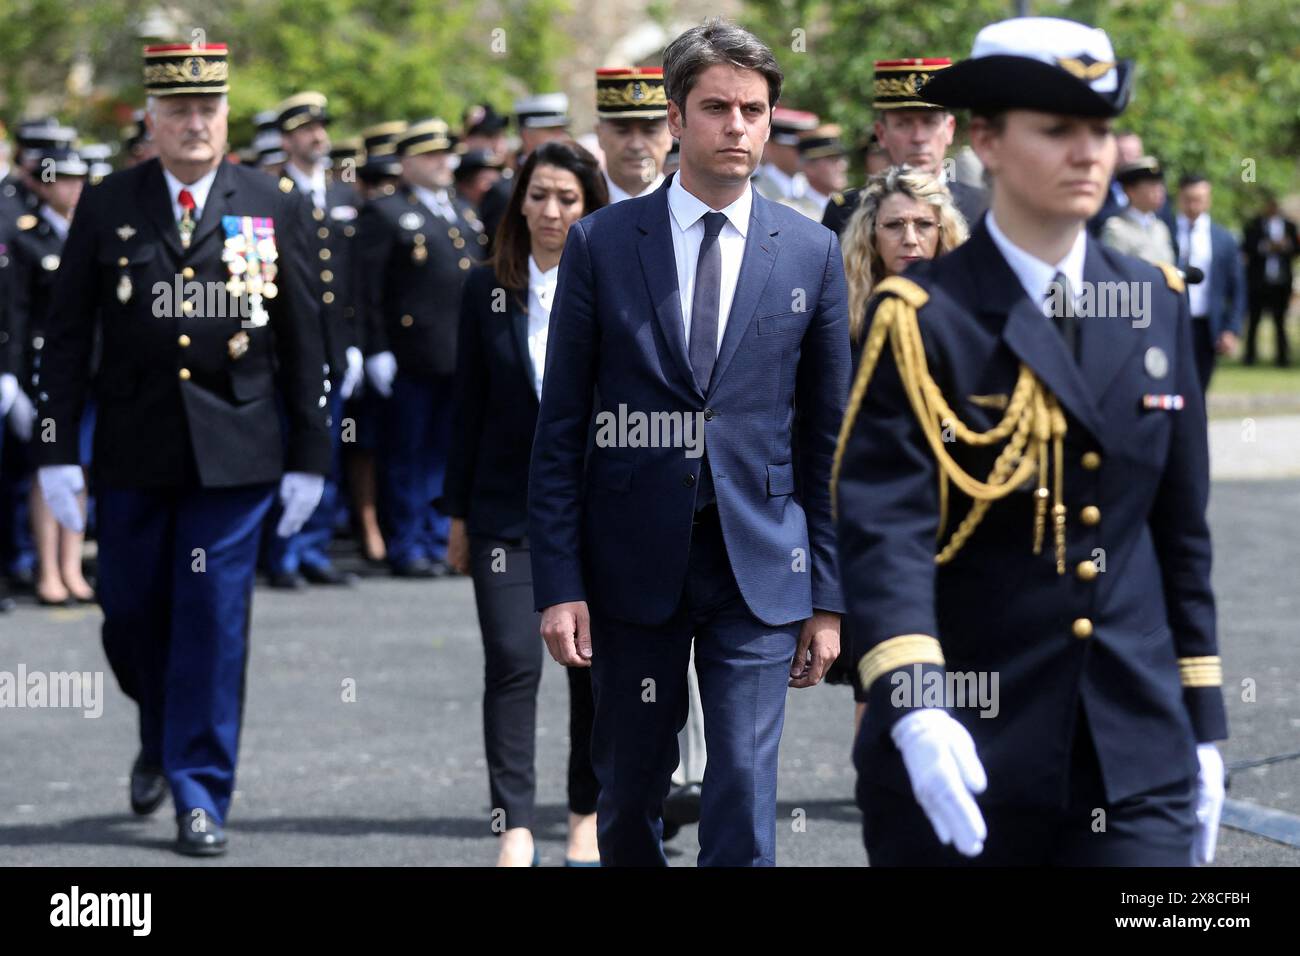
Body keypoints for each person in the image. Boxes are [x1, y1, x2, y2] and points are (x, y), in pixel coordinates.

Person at [834, 16, 1227, 866]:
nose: (1090, 153)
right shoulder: (921, 319)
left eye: (1099, 129)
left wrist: (1204, 726)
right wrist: (915, 700)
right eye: (1057, 130)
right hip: (967, 744)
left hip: (1133, 752)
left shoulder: (1156, 302)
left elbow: (1179, 537)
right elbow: (885, 532)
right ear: (989, 140)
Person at [528, 18, 849, 867]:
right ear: (676, 117)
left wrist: (829, 594)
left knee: (743, 786)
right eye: (716, 108)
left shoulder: (811, 253)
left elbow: (826, 440)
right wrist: (558, 583)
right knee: (630, 789)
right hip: (631, 563)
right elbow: (560, 427)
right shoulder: (602, 242)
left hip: (760, 563)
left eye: (753, 109)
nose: (736, 126)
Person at [34, 41, 331, 856]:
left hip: (233, 452)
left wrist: (312, 452)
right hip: (134, 443)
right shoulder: (109, 202)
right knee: (128, 613)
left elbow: (307, 333)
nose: (194, 124)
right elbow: (66, 336)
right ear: (152, 121)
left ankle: (199, 790)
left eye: (207, 110)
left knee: (211, 618)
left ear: (225, 117)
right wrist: (55, 446)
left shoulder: (269, 199)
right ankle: (159, 725)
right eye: (178, 111)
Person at [444, 140, 608, 867]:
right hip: (504, 513)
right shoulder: (486, 290)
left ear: (588, 206)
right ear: (518, 204)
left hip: (597, 514)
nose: (550, 212)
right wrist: (456, 515)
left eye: (567, 199)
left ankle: (584, 815)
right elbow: (467, 408)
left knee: (589, 668)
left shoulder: (612, 281)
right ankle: (513, 823)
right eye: (538, 196)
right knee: (513, 660)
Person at [825, 165, 967, 731]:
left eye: (923, 225)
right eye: (894, 225)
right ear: (870, 235)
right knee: (880, 671)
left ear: (943, 232)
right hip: (877, 520)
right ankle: (882, 793)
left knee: (961, 672)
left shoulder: (971, 317)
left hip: (959, 517)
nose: (910, 238)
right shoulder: (846, 317)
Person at [355, 118, 486, 577]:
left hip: (458, 354)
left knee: (446, 454)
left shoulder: (462, 211)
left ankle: (438, 539)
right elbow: (367, 288)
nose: (442, 163)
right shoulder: (386, 211)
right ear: (406, 162)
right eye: (430, 156)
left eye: (445, 154)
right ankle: (407, 543)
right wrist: (374, 348)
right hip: (409, 354)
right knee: (408, 455)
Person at [263, 91, 364, 588]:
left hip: (334, 342)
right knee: (294, 445)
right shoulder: (273, 192)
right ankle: (283, 551)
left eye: (321, 127)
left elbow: (352, 277)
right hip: (291, 347)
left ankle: (315, 547)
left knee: (330, 448)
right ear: (286, 139)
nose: (317, 136)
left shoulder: (342, 194)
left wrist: (355, 341)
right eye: (305, 129)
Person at [6, 144, 96, 606]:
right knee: (48, 471)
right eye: (64, 179)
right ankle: (48, 569)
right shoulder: (26, 238)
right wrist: (12, 380)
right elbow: (18, 317)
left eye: (80, 179)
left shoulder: (89, 235)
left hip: (87, 373)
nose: (74, 188)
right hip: (43, 373)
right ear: (42, 184)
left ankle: (71, 564)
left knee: (77, 469)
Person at [822, 58, 987, 236]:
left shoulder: (983, 207)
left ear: (949, 129)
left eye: (929, 123)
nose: (918, 138)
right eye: (903, 124)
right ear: (881, 133)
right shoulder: (847, 211)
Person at [1174, 173, 1245, 389]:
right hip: (1174, 320)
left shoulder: (1223, 238)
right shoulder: (1166, 231)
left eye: (1200, 198)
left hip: (1207, 325)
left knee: (1200, 386)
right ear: (1180, 198)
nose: (1194, 204)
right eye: (1189, 198)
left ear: (1209, 199)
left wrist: (1231, 329)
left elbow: (1238, 288)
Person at [478, 94, 570, 251]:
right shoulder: (505, 191)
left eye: (562, 130)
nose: (562, 137)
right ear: (527, 135)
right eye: (552, 130)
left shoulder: (574, 178)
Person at [594, 67, 672, 203]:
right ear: (600, 134)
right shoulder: (579, 207)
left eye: (649, 131)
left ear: (670, 134)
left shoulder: (689, 208)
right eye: (622, 131)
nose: (636, 145)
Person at [1241, 196, 1297, 367]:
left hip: (1280, 282)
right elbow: (1247, 246)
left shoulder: (1289, 226)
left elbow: (1296, 248)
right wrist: (1267, 246)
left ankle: (1282, 358)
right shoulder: (1255, 224)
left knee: (1279, 322)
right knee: (1254, 321)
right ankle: (1249, 357)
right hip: (1259, 282)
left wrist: (1285, 246)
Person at [1101, 156, 1176, 265]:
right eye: (1152, 185)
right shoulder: (1116, 229)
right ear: (1130, 191)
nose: (1159, 191)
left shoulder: (1160, 227)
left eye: (1160, 185)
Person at [779, 124, 847, 221]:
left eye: (840, 159)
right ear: (809, 167)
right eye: (832, 160)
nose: (842, 166)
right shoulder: (791, 212)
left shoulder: (847, 207)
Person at [750, 105, 817, 202]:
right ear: (770, 146)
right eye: (795, 148)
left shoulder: (812, 188)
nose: (803, 154)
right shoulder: (753, 191)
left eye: (806, 149)